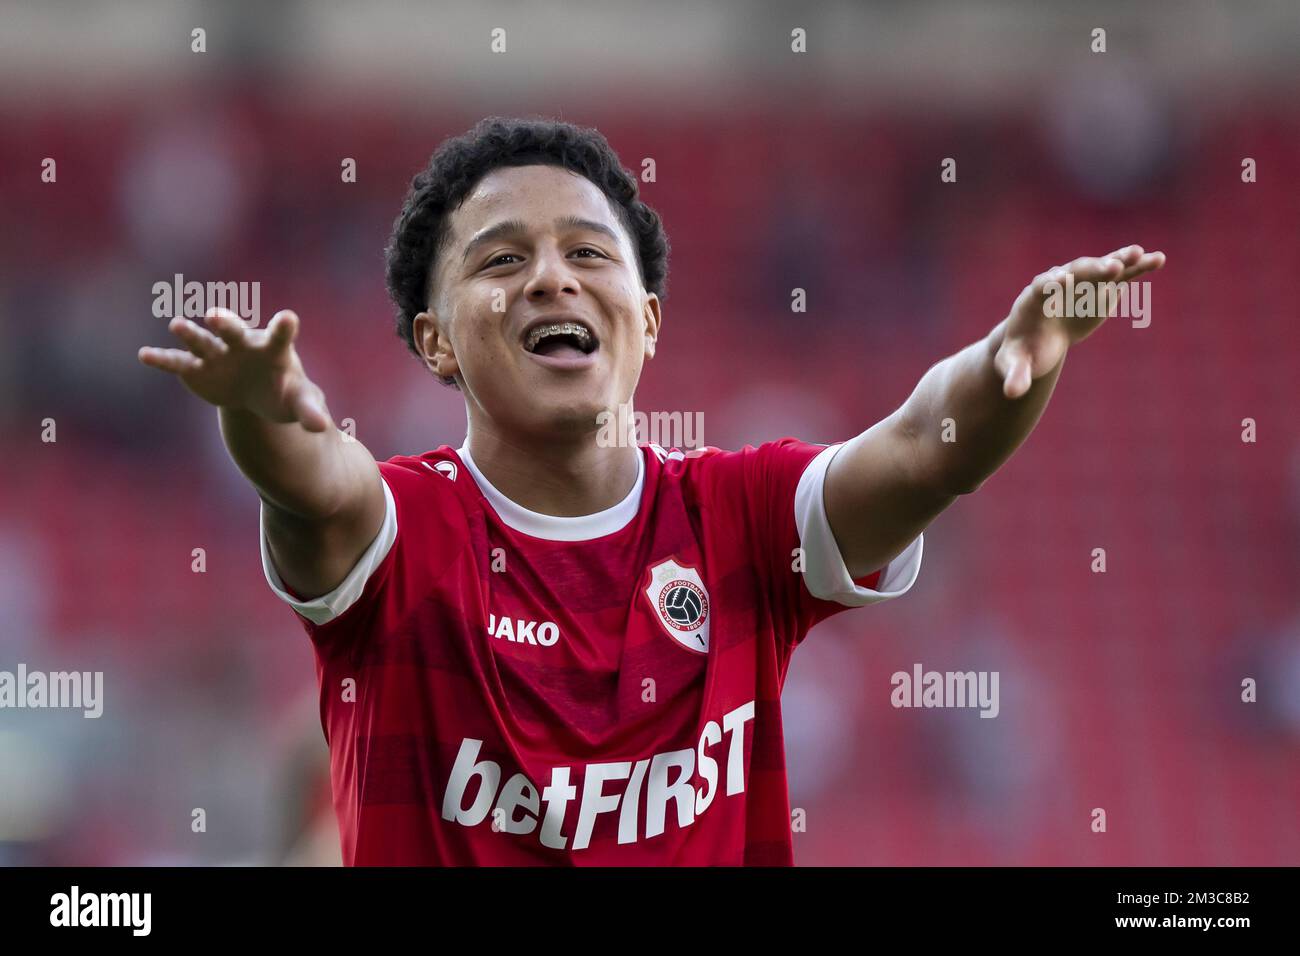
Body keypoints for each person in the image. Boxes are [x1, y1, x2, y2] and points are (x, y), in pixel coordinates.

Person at [138, 116, 1165, 865]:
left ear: (650, 318)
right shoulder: (406, 533)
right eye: (503, 259)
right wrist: (264, 411)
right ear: (435, 341)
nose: (552, 277)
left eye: (589, 252)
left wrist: (1007, 361)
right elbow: (316, 484)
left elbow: (922, 448)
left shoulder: (743, 518)